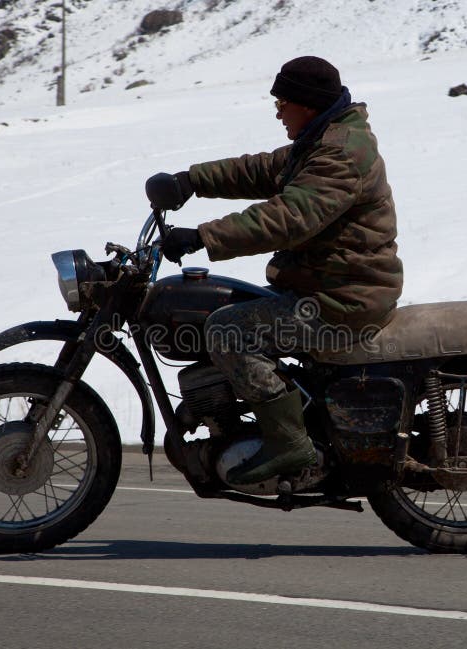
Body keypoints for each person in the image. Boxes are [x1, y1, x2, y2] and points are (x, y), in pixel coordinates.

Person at [149, 56, 403, 485]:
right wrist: (191, 181)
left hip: (340, 302)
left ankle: (290, 444)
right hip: (331, 287)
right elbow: (264, 169)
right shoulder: (325, 139)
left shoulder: (338, 153)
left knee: (227, 330)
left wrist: (203, 237)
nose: (277, 110)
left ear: (306, 103)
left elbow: (290, 216)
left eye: (283, 101)